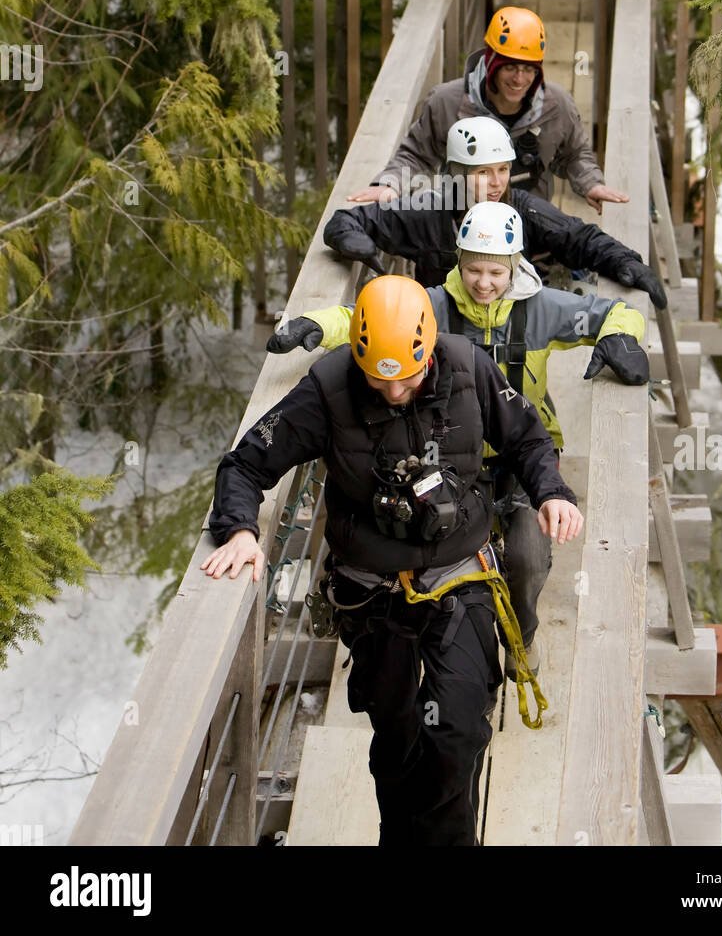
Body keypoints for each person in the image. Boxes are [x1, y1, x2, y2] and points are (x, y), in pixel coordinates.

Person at [202, 274, 582, 847]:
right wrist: (239, 529)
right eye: (381, 379)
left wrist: (552, 491)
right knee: (399, 737)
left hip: (462, 574)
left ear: (429, 349)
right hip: (373, 591)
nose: (395, 390)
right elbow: (246, 462)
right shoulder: (330, 387)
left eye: (406, 374)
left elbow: (528, 438)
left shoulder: (469, 367)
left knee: (455, 729)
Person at [267, 203, 649, 676]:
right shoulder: (434, 306)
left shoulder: (543, 308)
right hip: (446, 454)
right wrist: (319, 326)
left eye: (495, 272)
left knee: (528, 556)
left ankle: (521, 637)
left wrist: (621, 339)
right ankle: (444, 655)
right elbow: (368, 318)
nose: (483, 283)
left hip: (522, 448)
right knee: (442, 547)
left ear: (515, 266)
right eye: (472, 269)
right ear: (458, 263)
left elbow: (615, 312)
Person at [321, 114, 666, 300]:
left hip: (509, 337)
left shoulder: (523, 210)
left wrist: (624, 260)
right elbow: (349, 220)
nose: (498, 183)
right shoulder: (429, 211)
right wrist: (352, 239)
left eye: (502, 170)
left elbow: (578, 237)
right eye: (483, 173)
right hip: (441, 333)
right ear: (456, 174)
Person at [348, 5, 627, 213]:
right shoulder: (447, 102)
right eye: (510, 68)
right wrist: (389, 185)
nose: (519, 80)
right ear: (492, 62)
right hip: (457, 230)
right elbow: (415, 155)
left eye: (529, 69)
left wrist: (591, 183)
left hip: (528, 233)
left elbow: (574, 154)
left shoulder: (558, 107)